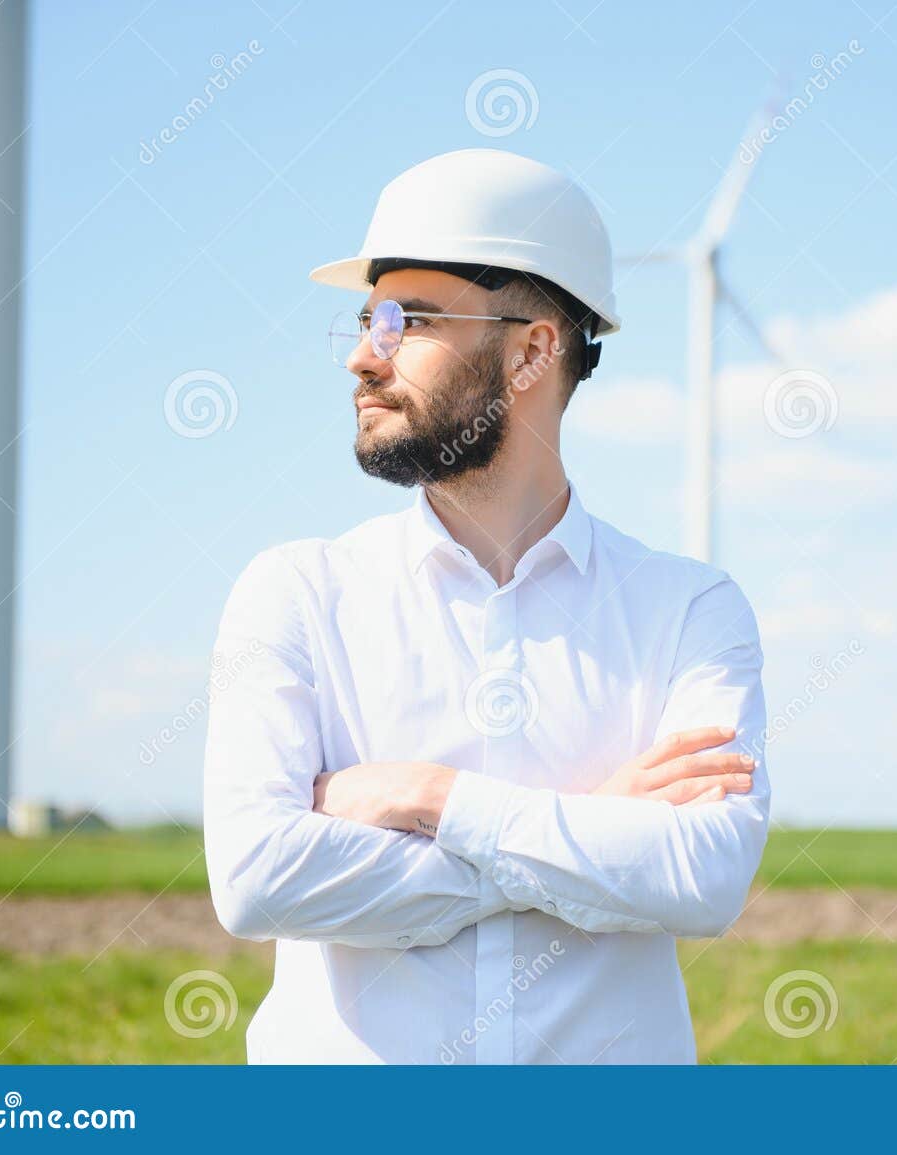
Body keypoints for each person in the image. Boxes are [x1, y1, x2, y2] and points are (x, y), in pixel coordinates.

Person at [202, 149, 771, 1064]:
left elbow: (700, 878)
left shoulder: (691, 609)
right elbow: (258, 879)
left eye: (408, 319)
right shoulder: (296, 593)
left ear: (535, 349)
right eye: (365, 317)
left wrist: (432, 797)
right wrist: (583, 829)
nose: (361, 354)